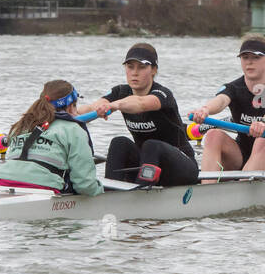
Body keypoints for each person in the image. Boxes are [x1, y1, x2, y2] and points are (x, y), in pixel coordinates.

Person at [84, 43, 200, 185]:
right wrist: (60, 114)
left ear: (154, 70)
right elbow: (92, 108)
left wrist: (115, 105)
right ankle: (111, 191)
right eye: (130, 67)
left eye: (142, 67)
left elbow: (141, 104)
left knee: (152, 145)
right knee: (119, 142)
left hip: (181, 167)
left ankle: (141, 194)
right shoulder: (119, 92)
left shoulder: (162, 94)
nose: (135, 72)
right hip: (148, 165)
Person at [189, 34, 265, 173]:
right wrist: (205, 110)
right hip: (243, 153)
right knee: (212, 135)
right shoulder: (233, 87)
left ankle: (242, 188)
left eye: (256, 57)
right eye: (245, 57)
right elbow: (221, 100)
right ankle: (207, 188)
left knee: (262, 141)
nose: (249, 62)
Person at [0, 80, 103, 196]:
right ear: (71, 106)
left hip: (2, 183)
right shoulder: (74, 130)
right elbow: (85, 185)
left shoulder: (20, 125)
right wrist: (101, 193)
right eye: (76, 105)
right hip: (43, 188)